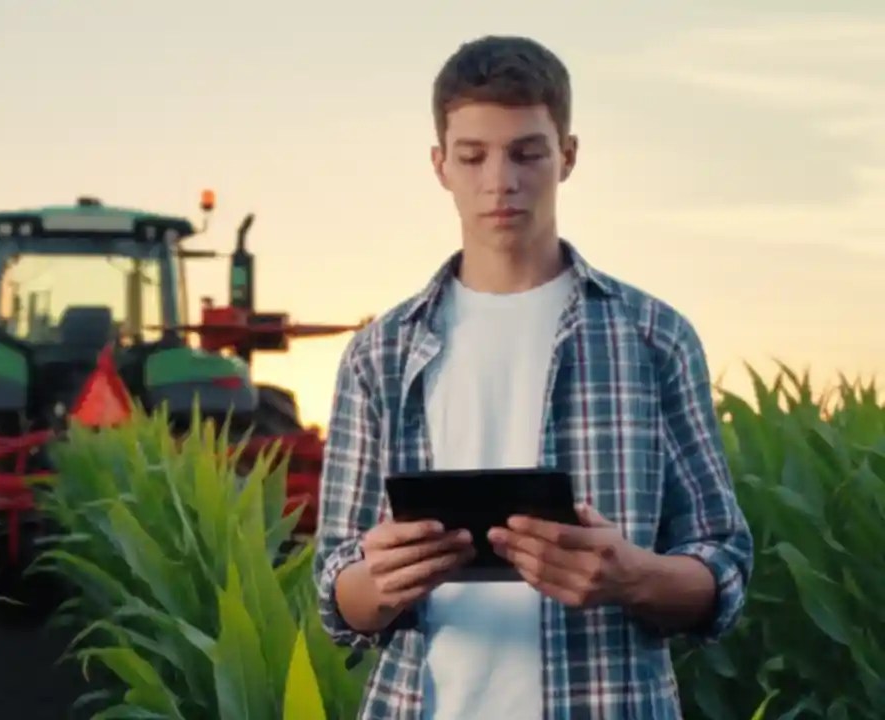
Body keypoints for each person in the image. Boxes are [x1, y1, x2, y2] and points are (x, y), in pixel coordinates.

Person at [312, 35, 754, 720]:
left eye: (527, 152)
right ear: (440, 166)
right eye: (473, 156)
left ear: (567, 156)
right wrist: (382, 581)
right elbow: (337, 591)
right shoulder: (379, 354)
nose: (500, 182)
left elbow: (722, 564)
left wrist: (632, 576)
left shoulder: (653, 337)